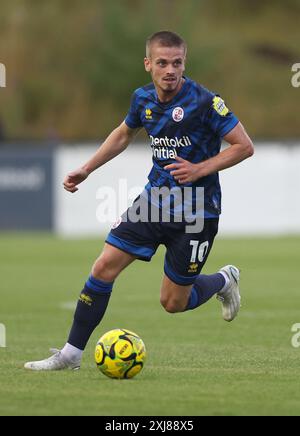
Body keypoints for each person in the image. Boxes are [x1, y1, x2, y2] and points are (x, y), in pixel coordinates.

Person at [25, 31, 254, 371]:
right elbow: (123, 134)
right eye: (162, 63)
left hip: (196, 211)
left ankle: (224, 280)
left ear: (184, 63)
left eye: (177, 63)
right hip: (154, 201)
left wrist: (199, 168)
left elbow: (243, 146)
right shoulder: (142, 99)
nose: (170, 70)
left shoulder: (205, 102)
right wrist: (87, 169)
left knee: (173, 302)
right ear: (148, 64)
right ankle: (70, 355)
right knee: (103, 267)